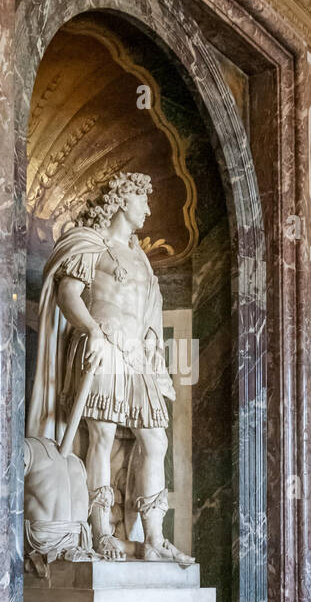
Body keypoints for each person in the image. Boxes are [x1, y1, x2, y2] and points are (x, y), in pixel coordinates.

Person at [27, 171, 193, 565]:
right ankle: (101, 531)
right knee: (100, 437)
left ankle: (153, 537)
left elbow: (150, 313)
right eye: (142, 201)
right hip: (101, 347)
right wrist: (92, 330)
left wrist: (152, 346)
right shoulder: (91, 244)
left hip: (136, 358)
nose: (148, 210)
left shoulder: (142, 260)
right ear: (122, 200)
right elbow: (68, 295)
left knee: (156, 441)